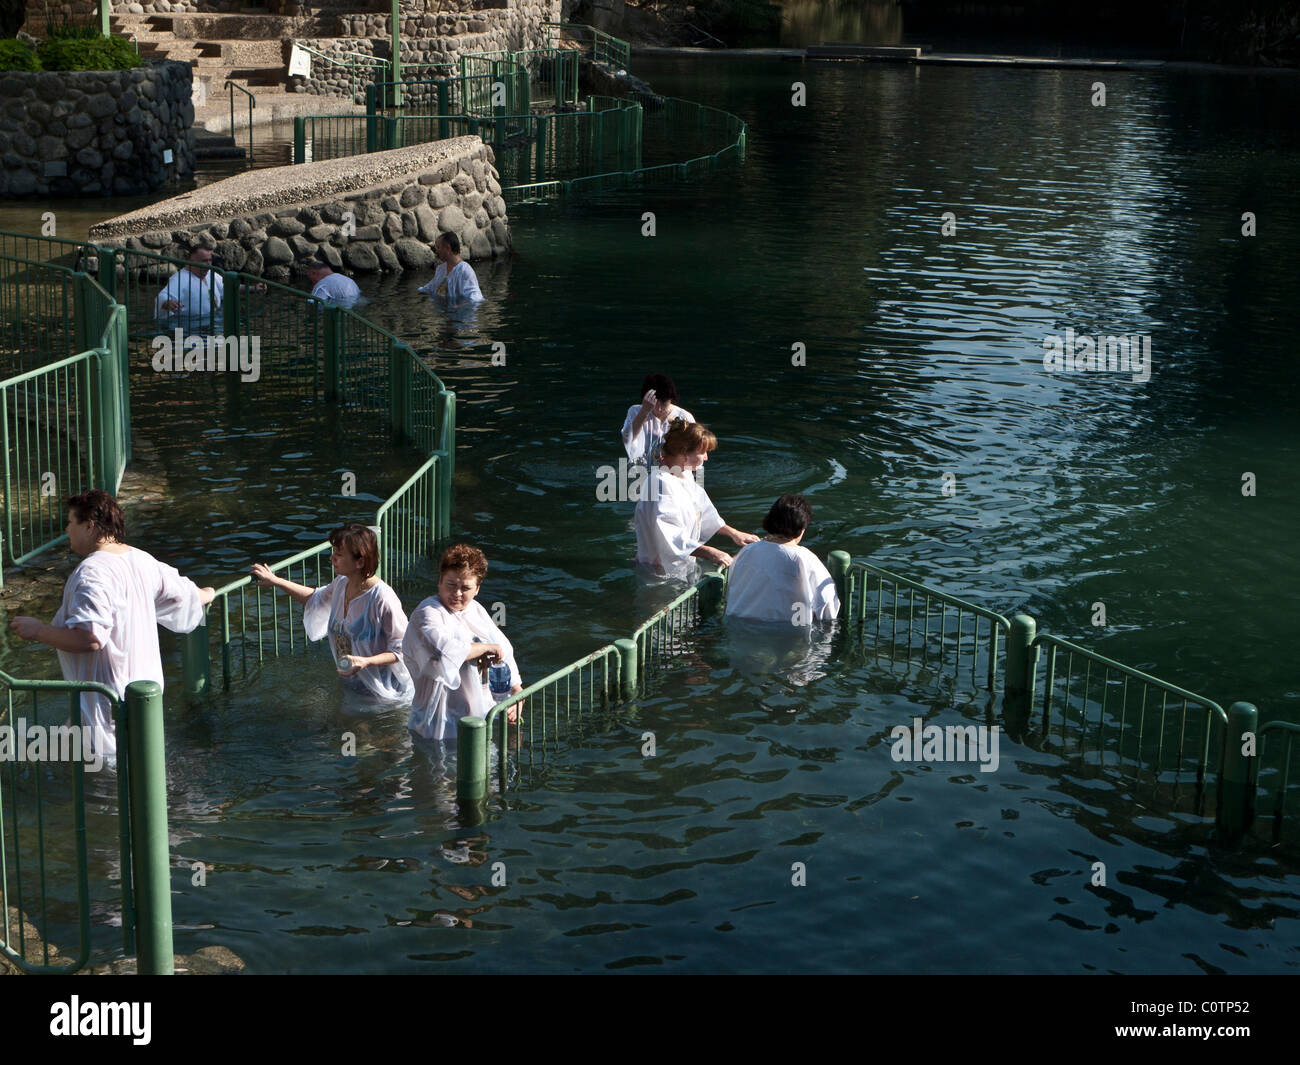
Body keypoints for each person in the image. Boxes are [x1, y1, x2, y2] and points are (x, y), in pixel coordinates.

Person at [9, 490, 215, 764]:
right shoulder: (141, 559)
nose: (67, 529)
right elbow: (185, 594)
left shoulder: (92, 572)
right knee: (144, 770)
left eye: (71, 522)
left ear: (90, 525)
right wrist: (209, 594)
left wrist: (38, 630)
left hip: (107, 703)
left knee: (107, 788)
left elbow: (91, 637)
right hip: (145, 698)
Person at [250, 524, 413, 702]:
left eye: (339, 554)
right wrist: (276, 581)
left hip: (387, 694)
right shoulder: (342, 583)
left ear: (360, 562)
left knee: (360, 729)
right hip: (352, 686)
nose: (332, 558)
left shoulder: (382, 598)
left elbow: (404, 649)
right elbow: (314, 598)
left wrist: (366, 662)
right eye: (333, 552)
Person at [403, 544, 523, 741]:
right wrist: (485, 648)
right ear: (440, 582)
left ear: (477, 589)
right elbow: (445, 651)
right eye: (451, 585)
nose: (457, 593)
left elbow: (505, 652)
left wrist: (517, 696)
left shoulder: (476, 610)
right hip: (437, 725)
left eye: (465, 588)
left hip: (480, 720)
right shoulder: (428, 612)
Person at [634, 419, 757, 581]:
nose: (706, 458)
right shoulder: (659, 482)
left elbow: (704, 512)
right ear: (684, 453)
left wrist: (734, 533)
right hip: (657, 572)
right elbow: (669, 535)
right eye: (703, 452)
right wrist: (710, 552)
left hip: (682, 565)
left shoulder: (684, 475)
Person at [724, 494, 840, 624]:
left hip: (739, 634)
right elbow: (827, 607)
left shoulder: (746, 551)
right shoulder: (805, 559)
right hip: (789, 638)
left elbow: (731, 592)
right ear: (802, 528)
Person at [620, 373, 695, 469]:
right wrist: (644, 412)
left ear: (671, 399)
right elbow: (628, 439)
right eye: (654, 403)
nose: (659, 409)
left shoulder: (684, 416)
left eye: (664, 403)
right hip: (641, 471)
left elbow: (693, 449)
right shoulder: (636, 411)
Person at [154, 246, 223, 330]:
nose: (208, 264)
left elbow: (228, 286)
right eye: (204, 261)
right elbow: (162, 296)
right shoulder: (180, 279)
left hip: (213, 322)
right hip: (190, 327)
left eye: (210, 260)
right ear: (191, 261)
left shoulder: (211, 274)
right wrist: (168, 303)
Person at [418, 232, 484, 304]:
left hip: (459, 313)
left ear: (448, 248)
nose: (436, 251)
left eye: (439, 247)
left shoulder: (465, 270)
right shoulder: (441, 269)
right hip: (443, 312)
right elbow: (431, 287)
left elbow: (476, 297)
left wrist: (462, 305)